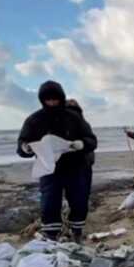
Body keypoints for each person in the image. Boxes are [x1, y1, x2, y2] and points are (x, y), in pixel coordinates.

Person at [17, 81, 98, 242]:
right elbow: (21, 144)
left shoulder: (74, 118)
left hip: (76, 167)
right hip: (48, 169)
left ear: (62, 98)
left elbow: (92, 140)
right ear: (42, 100)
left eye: (56, 99)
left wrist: (81, 144)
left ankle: (77, 233)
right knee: (49, 203)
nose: (52, 103)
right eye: (48, 100)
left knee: (79, 201)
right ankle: (51, 237)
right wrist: (26, 148)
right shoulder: (34, 120)